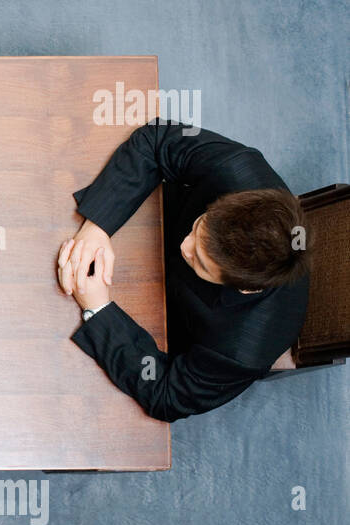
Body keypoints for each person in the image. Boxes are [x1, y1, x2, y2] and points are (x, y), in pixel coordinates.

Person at [57, 119, 310, 422]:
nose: (184, 246)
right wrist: (98, 226)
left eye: (200, 260)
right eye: (199, 227)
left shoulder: (243, 350)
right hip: (151, 216)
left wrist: (97, 308)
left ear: (245, 287)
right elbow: (156, 139)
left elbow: (167, 396)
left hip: (167, 324)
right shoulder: (240, 168)